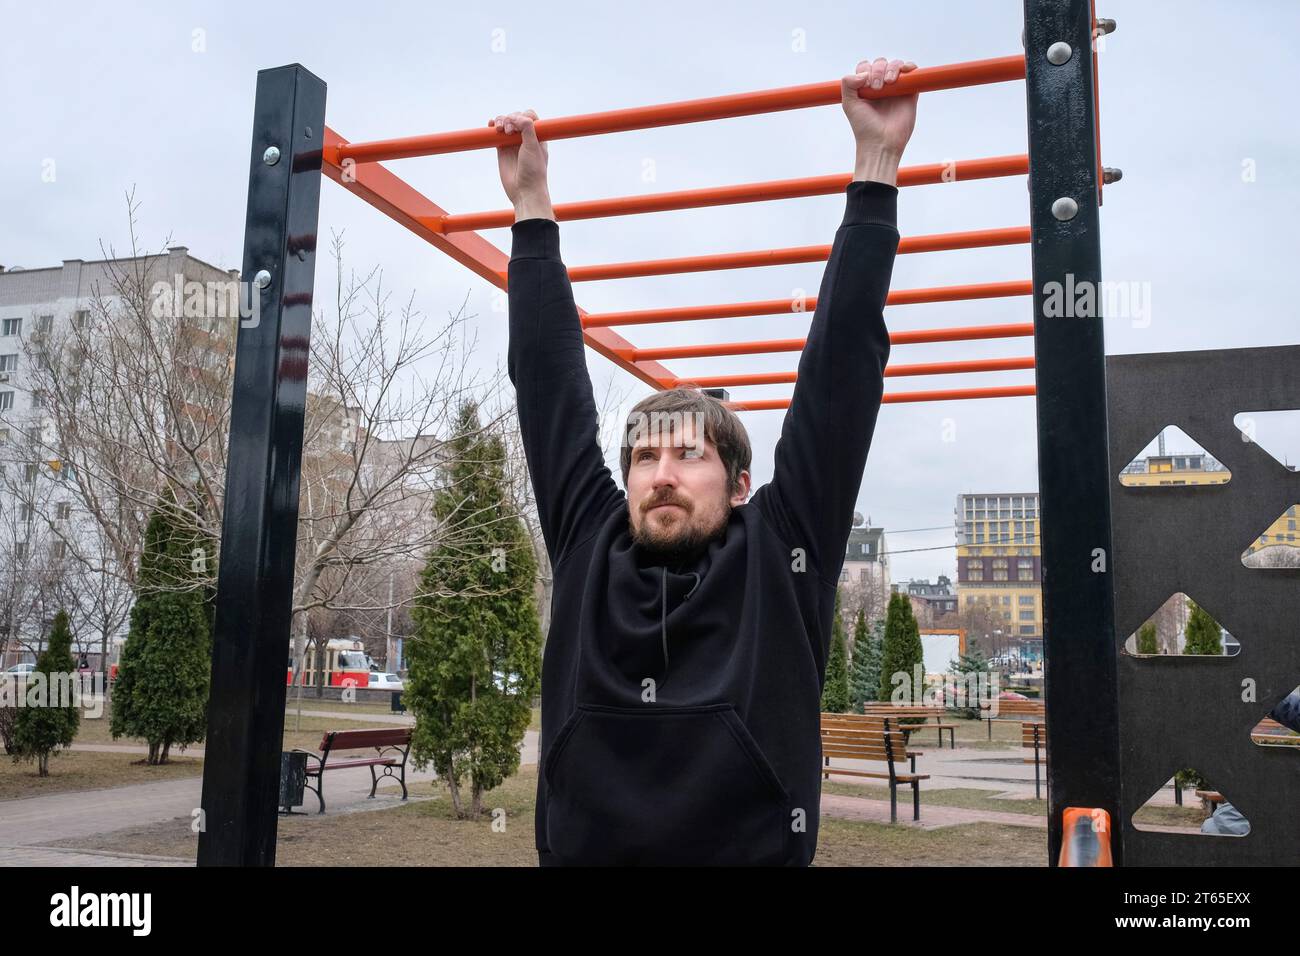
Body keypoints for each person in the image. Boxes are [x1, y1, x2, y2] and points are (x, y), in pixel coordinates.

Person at [498, 56, 918, 866]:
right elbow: (548, 386)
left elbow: (839, 380)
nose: (661, 472)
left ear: (740, 482)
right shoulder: (590, 543)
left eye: (690, 454)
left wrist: (876, 168)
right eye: (645, 456)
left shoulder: (781, 551)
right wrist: (530, 209)